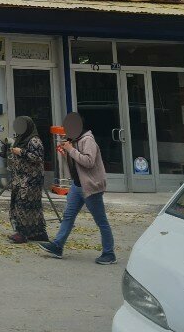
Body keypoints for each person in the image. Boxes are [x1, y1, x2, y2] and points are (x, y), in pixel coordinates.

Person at [39, 112, 116, 264]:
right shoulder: (73, 140)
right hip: (77, 185)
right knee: (68, 216)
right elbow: (75, 164)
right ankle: (57, 245)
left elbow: (88, 161)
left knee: (101, 220)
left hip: (90, 186)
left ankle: (109, 253)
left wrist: (71, 150)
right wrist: (66, 151)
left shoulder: (88, 140)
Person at [7, 116, 49, 243]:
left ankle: (22, 233)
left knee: (24, 205)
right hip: (21, 178)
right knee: (30, 206)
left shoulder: (34, 140)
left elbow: (38, 157)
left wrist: (21, 152)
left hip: (31, 179)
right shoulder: (20, 139)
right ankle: (38, 233)